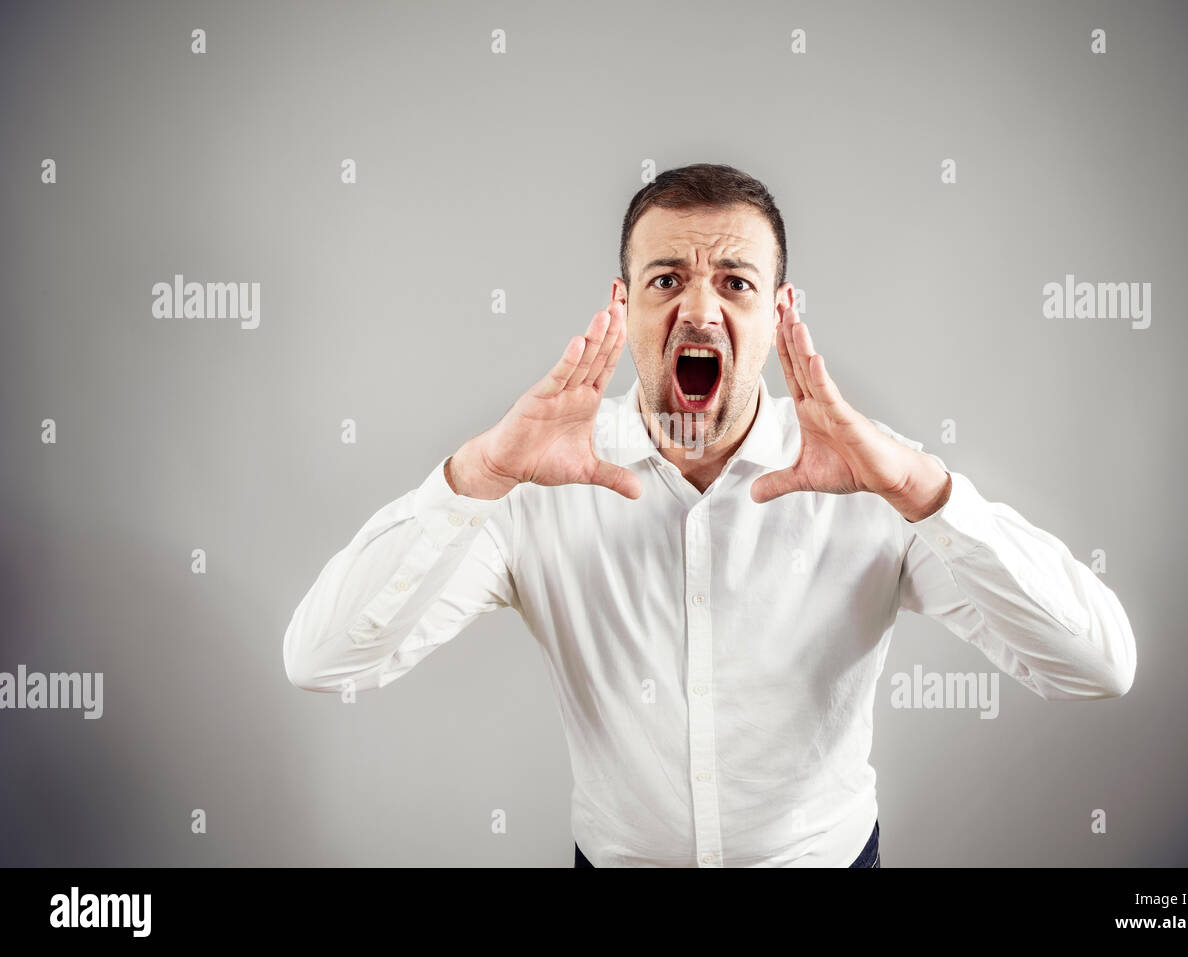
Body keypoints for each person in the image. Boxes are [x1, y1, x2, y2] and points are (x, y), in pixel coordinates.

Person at [283, 163, 1137, 867]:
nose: (699, 309)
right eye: (667, 280)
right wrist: (478, 473)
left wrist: (920, 489)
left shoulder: (870, 477)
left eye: (735, 281)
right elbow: (320, 659)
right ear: (623, 308)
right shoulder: (533, 484)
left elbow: (1098, 664)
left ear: (778, 312)